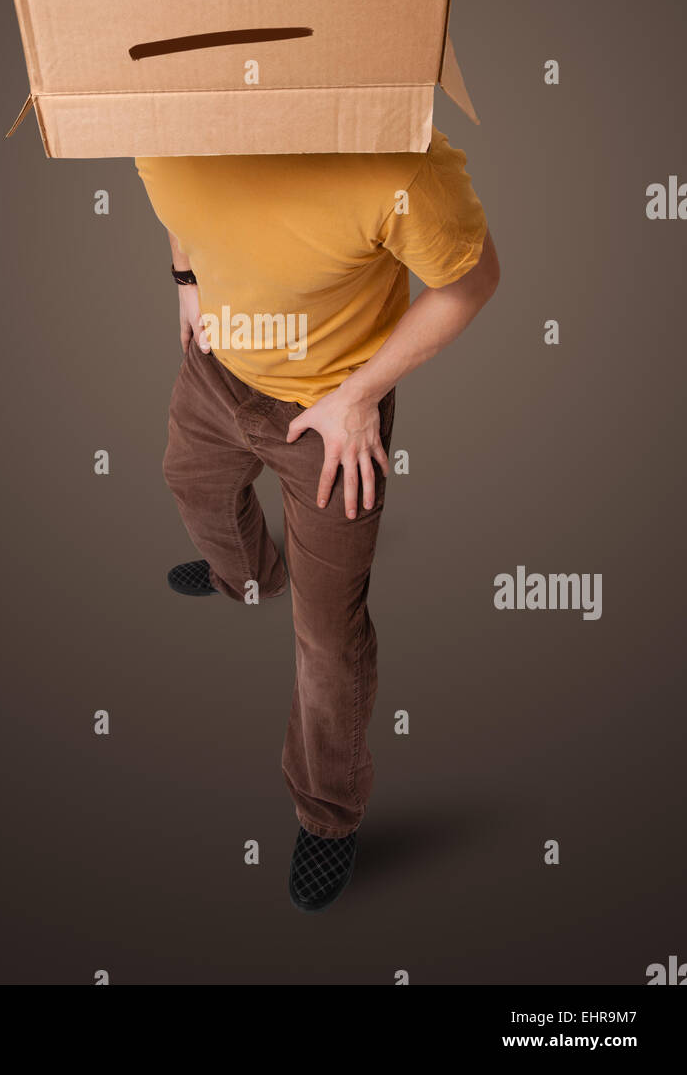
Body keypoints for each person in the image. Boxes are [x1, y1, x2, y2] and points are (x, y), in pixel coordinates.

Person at [134, 126, 499, 911]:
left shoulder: (396, 160)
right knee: (190, 484)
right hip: (213, 373)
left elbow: (469, 281)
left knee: (326, 638)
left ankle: (328, 816)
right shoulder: (153, 111)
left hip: (329, 419)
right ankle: (247, 576)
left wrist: (360, 397)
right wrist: (186, 281)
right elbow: (180, 206)